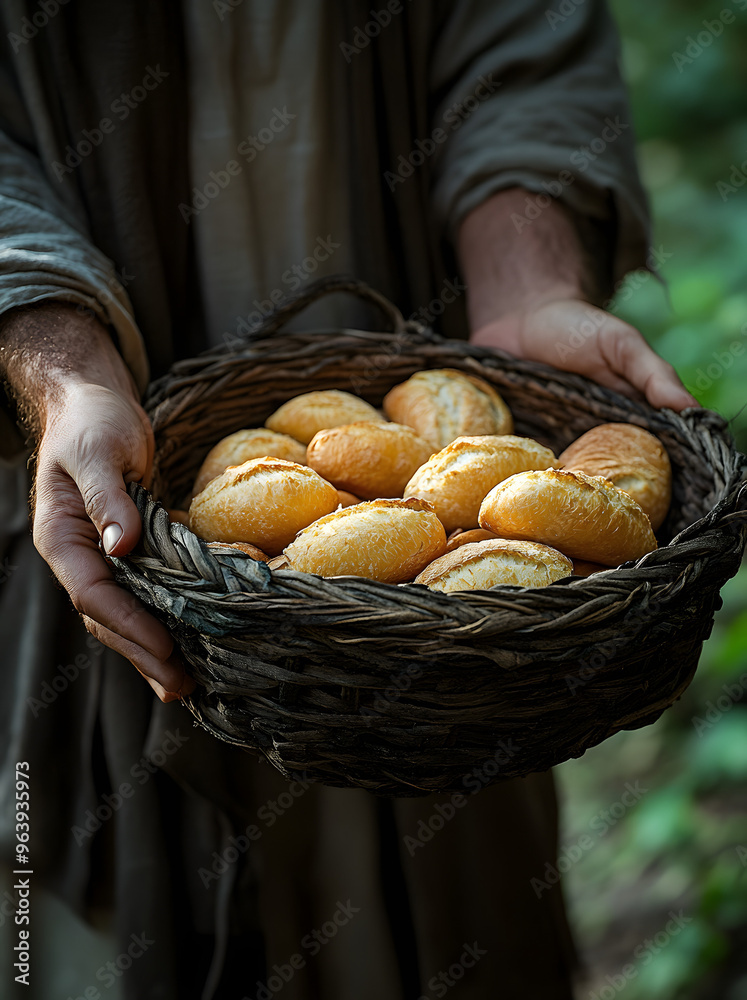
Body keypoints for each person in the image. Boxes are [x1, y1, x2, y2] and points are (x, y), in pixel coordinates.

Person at [0, 2, 697, 998]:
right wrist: (64, 374)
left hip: (459, 653)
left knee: (458, 879)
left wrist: (528, 289)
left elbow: (525, 43)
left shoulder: (434, 483)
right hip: (119, 477)